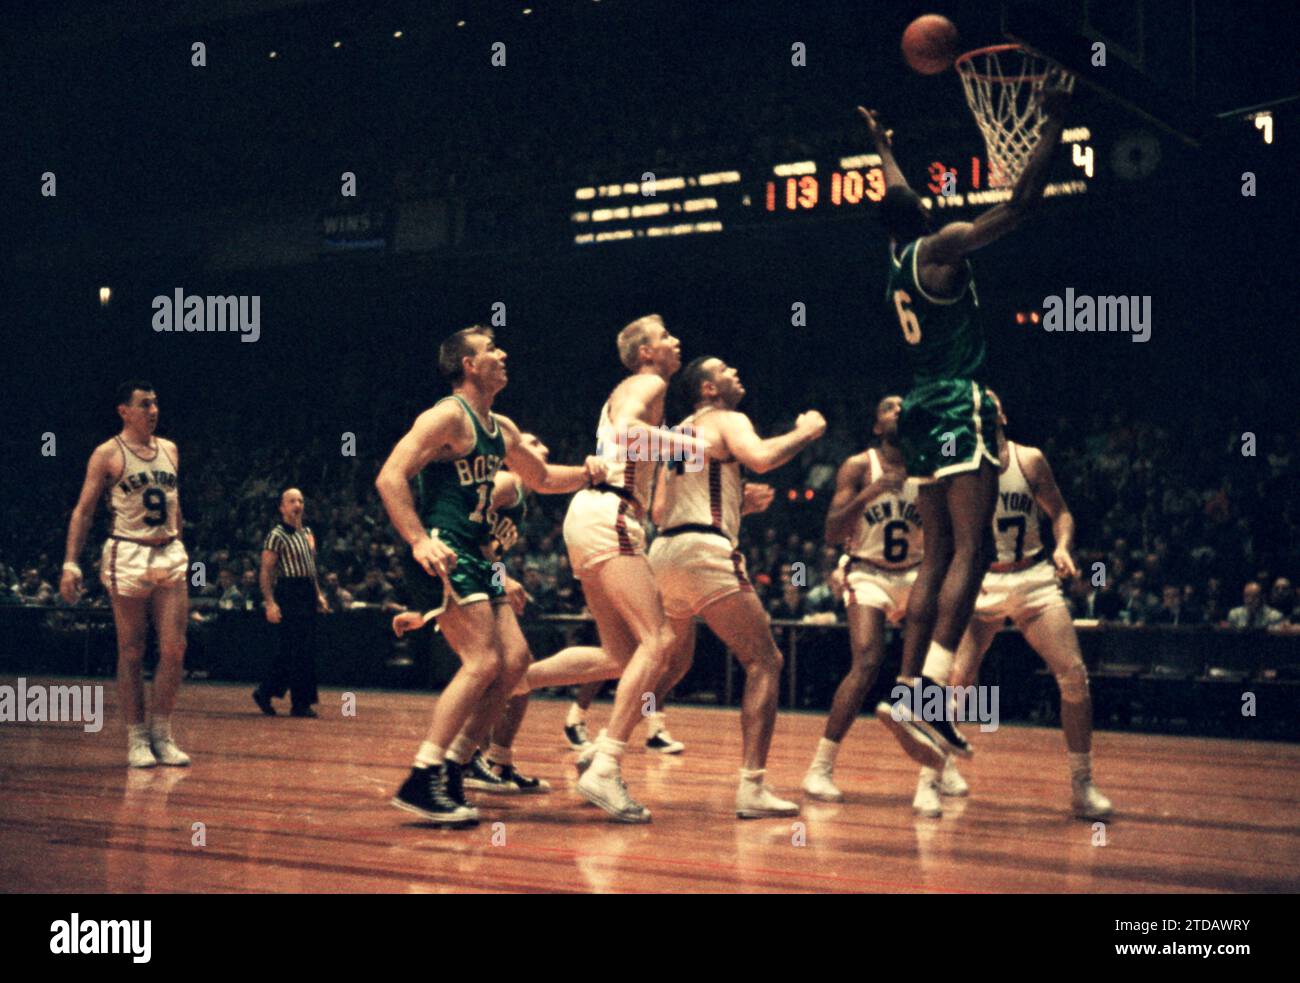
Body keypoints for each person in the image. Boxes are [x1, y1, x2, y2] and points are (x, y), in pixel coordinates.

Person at [857, 78, 1071, 768]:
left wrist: (881, 147)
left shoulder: (893, 266)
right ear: (917, 213)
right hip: (957, 398)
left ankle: (906, 691)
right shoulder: (943, 245)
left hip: (917, 406)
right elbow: (1023, 204)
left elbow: (899, 197)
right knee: (971, 553)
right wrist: (1053, 121)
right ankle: (929, 692)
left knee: (938, 553)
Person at [377, 325, 604, 826]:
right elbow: (390, 476)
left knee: (516, 662)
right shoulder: (445, 415)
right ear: (468, 364)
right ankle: (421, 776)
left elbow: (542, 479)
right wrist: (419, 540)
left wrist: (589, 473)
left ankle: (456, 766)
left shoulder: (502, 428)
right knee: (481, 661)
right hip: (446, 546)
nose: (503, 354)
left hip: (479, 556)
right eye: (490, 350)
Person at [516, 314, 708, 823]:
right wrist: (691, 445)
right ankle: (606, 763)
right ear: (646, 352)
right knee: (660, 642)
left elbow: (653, 491)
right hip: (611, 514)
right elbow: (627, 434)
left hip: (598, 514)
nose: (676, 340)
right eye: (666, 336)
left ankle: (513, 681)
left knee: (621, 655)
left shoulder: (643, 391)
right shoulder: (646, 382)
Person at [640, 355, 822, 817]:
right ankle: (752, 787)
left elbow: (660, 511)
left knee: (670, 663)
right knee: (765, 660)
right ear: (708, 390)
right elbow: (761, 457)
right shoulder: (727, 419)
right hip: (705, 553)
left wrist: (737, 503)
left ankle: (604, 747)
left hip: (664, 553)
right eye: (725, 370)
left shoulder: (677, 432)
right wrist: (807, 430)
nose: (736, 372)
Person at [939, 393, 1112, 820]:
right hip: (981, 581)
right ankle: (935, 772)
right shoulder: (957, 466)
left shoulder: (1029, 459)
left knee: (1073, 674)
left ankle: (1082, 785)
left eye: (989, 403)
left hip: (1032, 575)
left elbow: (1062, 513)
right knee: (954, 677)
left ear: (1002, 413)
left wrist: (1064, 548)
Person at [802, 394, 939, 801]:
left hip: (917, 572)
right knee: (866, 660)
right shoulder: (859, 466)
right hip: (868, 570)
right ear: (877, 426)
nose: (898, 411)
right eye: (888, 408)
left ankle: (933, 776)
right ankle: (820, 768)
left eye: (903, 407)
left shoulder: (930, 469)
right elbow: (829, 531)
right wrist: (870, 493)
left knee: (928, 674)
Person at [59, 381, 191, 768]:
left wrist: (179, 540)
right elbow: (84, 511)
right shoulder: (107, 453)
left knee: (174, 649)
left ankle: (162, 734)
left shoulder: (170, 449)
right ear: (124, 411)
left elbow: (175, 504)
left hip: (168, 550)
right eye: (145, 404)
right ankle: (136, 737)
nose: (153, 410)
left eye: (156, 403)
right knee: (132, 650)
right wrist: (71, 562)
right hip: (127, 551)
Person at [253, 488, 327, 718]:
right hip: (289, 591)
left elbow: (311, 568)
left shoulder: (307, 532)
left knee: (304, 649)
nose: (297, 505)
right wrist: (270, 603)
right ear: (282, 507)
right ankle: (295, 702)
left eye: (300, 501)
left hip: (305, 590)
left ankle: (272, 694)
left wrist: (318, 594)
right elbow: (266, 571)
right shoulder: (276, 535)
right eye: (292, 501)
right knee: (293, 648)